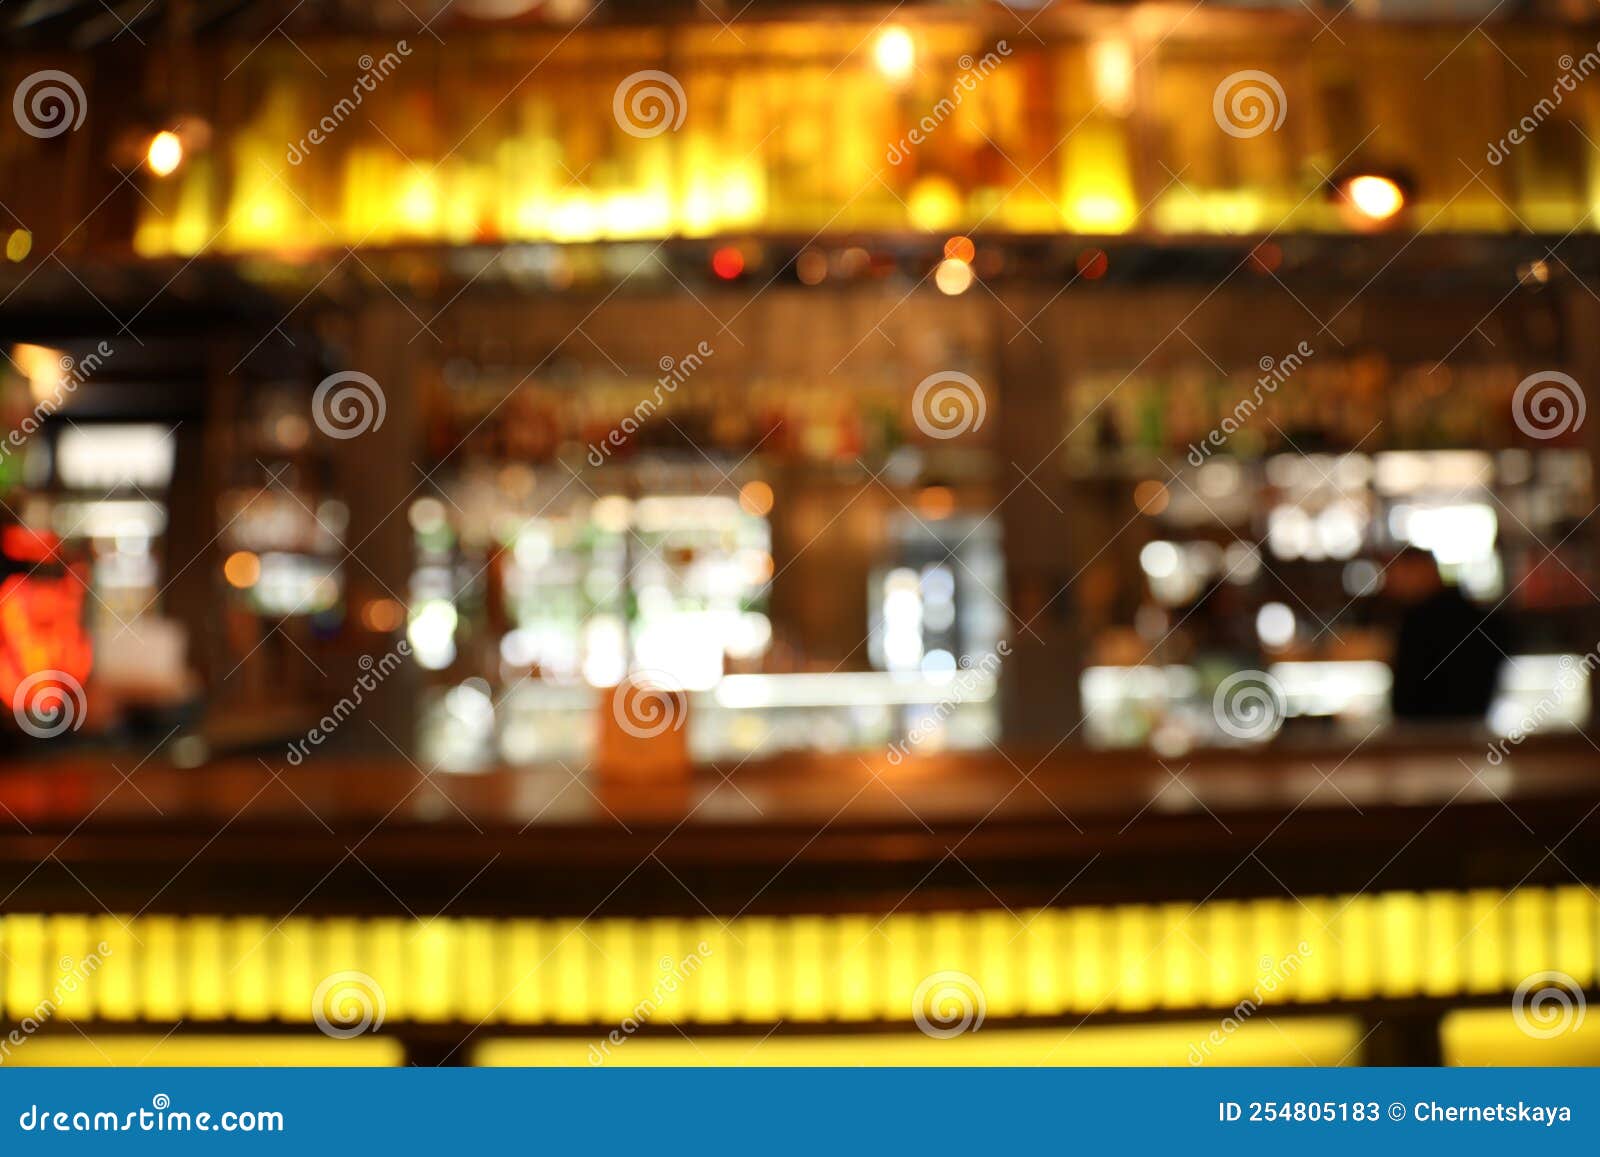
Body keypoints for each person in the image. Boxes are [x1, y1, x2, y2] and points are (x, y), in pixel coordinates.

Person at [1386, 547, 1504, 722]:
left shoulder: (1419, 621)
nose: (1393, 583)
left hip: (1424, 733)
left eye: (1400, 573)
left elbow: (1409, 691)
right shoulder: (1474, 614)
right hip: (1473, 727)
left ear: (1425, 570)